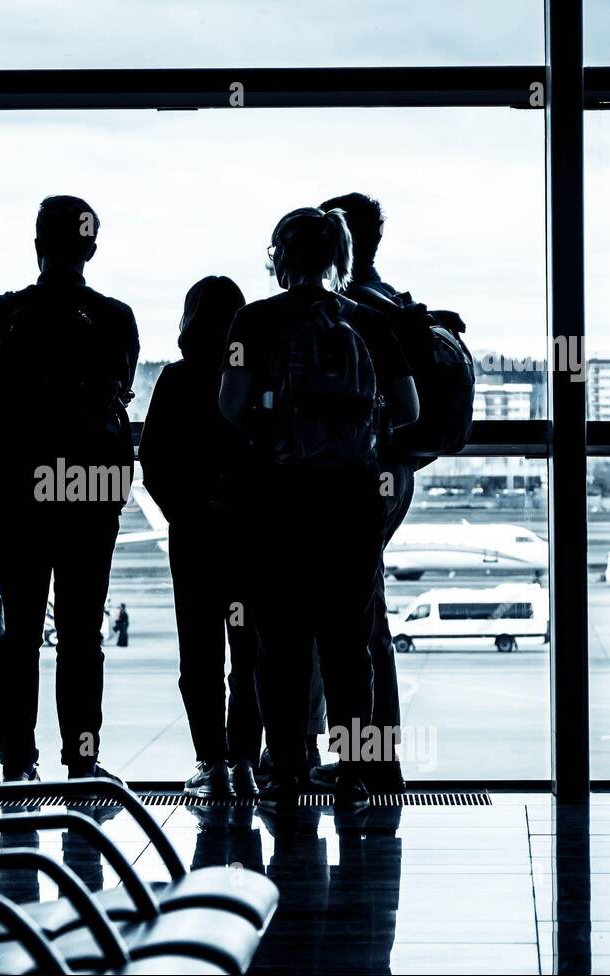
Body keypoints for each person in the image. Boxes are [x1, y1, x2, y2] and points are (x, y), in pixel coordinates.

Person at [219, 207, 418, 810]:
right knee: (347, 641)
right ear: (342, 258)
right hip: (353, 500)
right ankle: (355, 774)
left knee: (279, 641)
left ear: (279, 255)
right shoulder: (373, 324)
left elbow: (231, 403)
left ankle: (283, 772)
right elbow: (408, 407)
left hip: (278, 500)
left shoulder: (250, 322)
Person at [0, 195, 139, 783]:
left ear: (38, 243)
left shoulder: (3, 313)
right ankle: (83, 758)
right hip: (89, 494)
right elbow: (118, 387)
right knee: (81, 635)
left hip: (18, 498)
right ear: (91, 248)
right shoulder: (115, 318)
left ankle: (17, 763)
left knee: (16, 634)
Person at [311, 191, 420, 794]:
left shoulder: (347, 311)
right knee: (365, 619)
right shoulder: (392, 309)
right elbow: (409, 410)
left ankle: (362, 758)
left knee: (353, 625)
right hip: (386, 480)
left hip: (348, 484)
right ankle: (374, 757)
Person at [138, 275, 262, 798]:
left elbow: (153, 460)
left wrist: (185, 511)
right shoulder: (252, 376)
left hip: (194, 536)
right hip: (250, 535)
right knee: (249, 652)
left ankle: (211, 762)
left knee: (201, 652)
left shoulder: (176, 379)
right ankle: (245, 761)